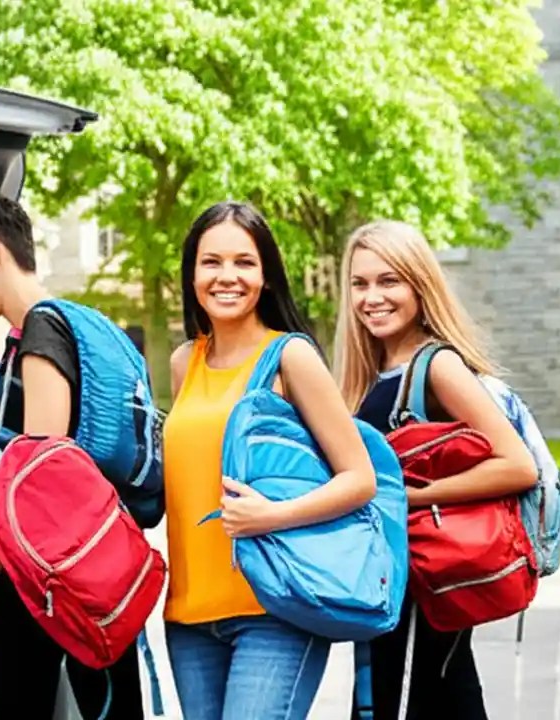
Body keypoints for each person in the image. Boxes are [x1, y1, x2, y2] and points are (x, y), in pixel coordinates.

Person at [0, 190, 144, 720]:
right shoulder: (75, 325)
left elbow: (36, 494)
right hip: (90, 574)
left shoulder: (43, 335)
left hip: (41, 583)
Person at [163, 201, 377, 720]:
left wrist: (271, 516)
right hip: (188, 617)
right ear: (192, 272)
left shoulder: (290, 357)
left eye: (244, 262)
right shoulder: (182, 362)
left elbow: (360, 478)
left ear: (266, 276)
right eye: (211, 262)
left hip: (274, 608)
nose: (227, 276)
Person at [336, 220, 538, 720]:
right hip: (391, 584)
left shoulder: (436, 366)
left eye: (389, 281)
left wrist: (410, 497)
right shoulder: (369, 374)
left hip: (428, 583)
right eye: (360, 284)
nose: (372, 297)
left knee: (423, 696)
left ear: (419, 286)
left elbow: (517, 466)